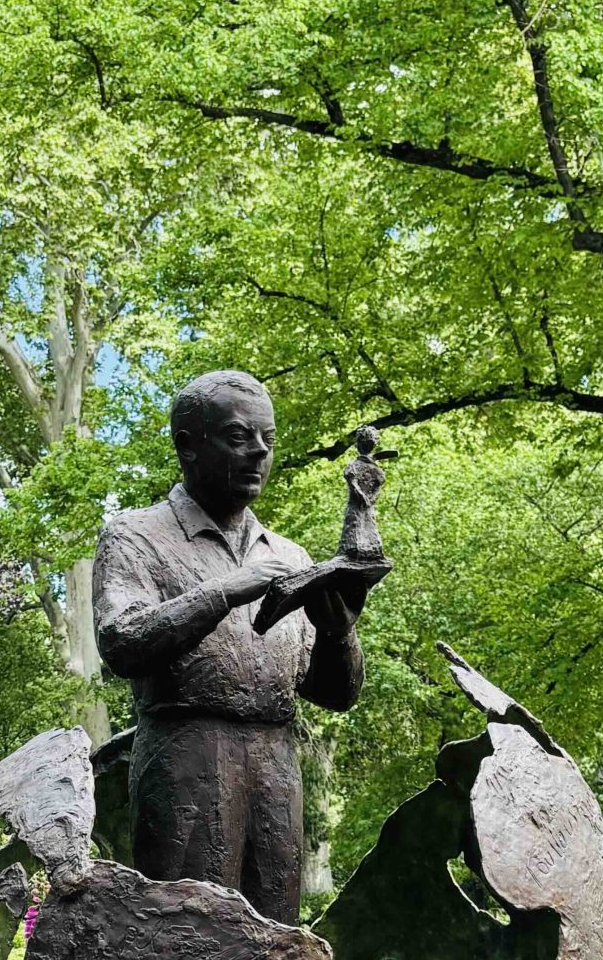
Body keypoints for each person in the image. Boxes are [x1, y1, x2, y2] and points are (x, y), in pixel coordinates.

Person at [93, 370, 386, 925]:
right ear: (187, 445)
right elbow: (122, 641)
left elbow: (335, 693)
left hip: (276, 765)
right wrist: (227, 589)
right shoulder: (136, 535)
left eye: (268, 440)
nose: (257, 453)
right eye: (237, 436)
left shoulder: (291, 556)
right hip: (186, 758)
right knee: (188, 937)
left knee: (276, 940)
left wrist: (337, 631)